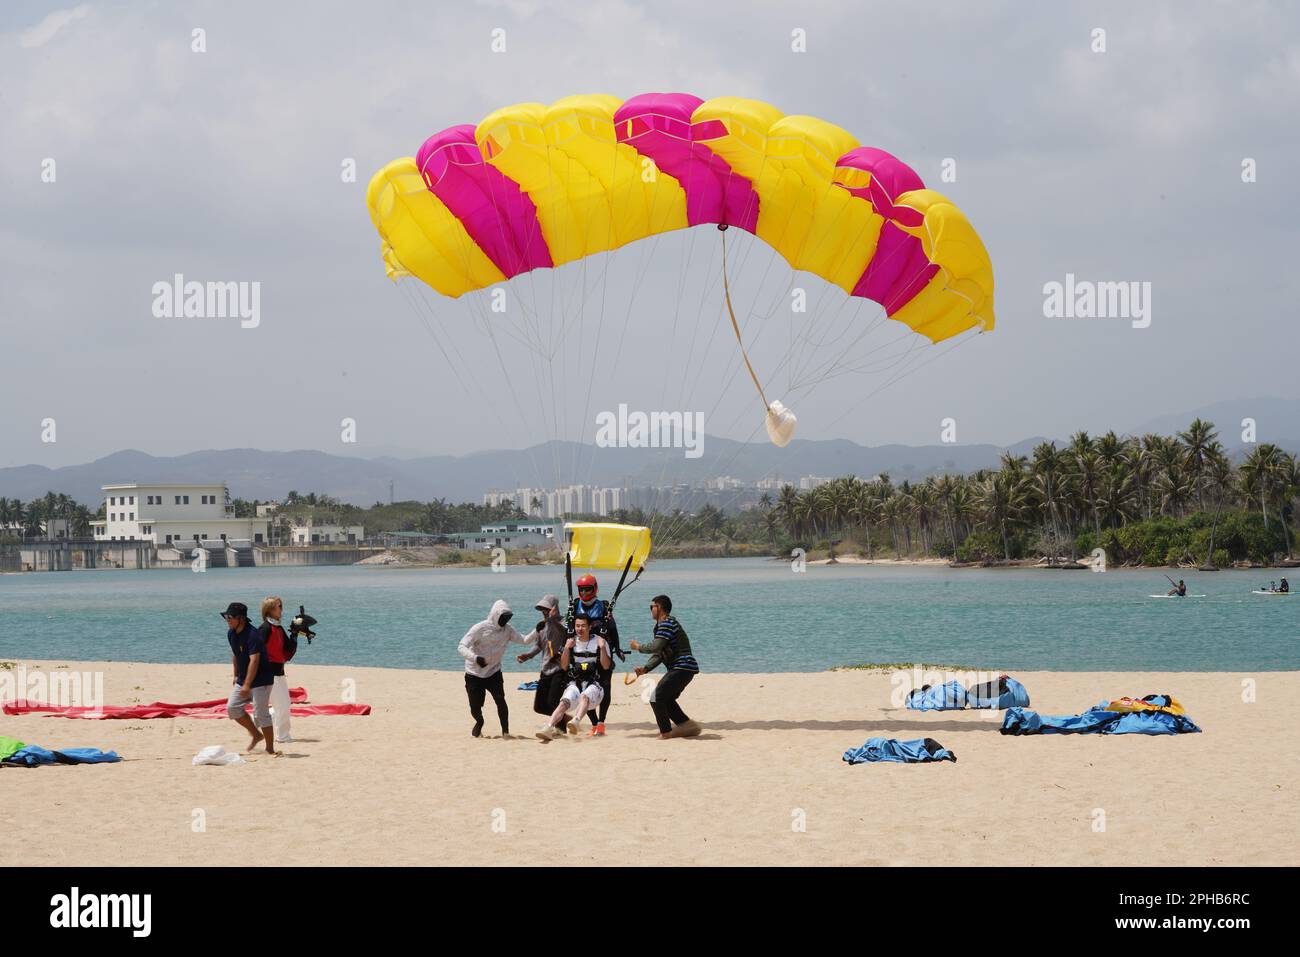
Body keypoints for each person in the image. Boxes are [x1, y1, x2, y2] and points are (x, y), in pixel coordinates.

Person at [630, 594, 701, 739]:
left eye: (652, 607)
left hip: (682, 667)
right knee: (666, 699)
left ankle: (666, 732)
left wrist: (638, 647)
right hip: (684, 669)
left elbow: (656, 646)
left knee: (656, 697)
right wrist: (645, 668)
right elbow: (660, 653)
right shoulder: (661, 626)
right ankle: (687, 725)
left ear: (660, 607)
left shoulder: (667, 623)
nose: (651, 610)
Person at [459, 599, 531, 738]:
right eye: (503, 617)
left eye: (508, 617)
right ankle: (479, 722)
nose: (506, 620)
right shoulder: (479, 628)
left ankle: (505, 732)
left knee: (500, 700)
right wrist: (476, 658)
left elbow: (525, 640)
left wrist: (538, 630)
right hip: (474, 674)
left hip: (494, 672)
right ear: (495, 615)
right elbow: (461, 646)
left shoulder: (508, 630)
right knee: (475, 707)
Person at [535, 614, 611, 741]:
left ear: (590, 627)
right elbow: (564, 666)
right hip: (575, 683)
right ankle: (549, 727)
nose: (580, 629)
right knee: (563, 702)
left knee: (584, 696)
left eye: (583, 626)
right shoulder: (571, 642)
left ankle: (576, 721)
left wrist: (602, 648)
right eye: (577, 626)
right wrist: (566, 648)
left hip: (595, 686)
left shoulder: (599, 642)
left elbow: (606, 665)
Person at [223, 601, 276, 755]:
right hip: (243, 678)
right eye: (226, 617)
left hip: (261, 680)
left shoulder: (253, 635)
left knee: (261, 714)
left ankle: (270, 749)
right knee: (232, 708)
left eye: (230, 617)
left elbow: (255, 660)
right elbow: (236, 655)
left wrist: (247, 685)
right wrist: (236, 674)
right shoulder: (231, 633)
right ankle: (256, 734)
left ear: (241, 618)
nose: (228, 620)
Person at [572, 573, 622, 735]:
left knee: (605, 686)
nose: (585, 593)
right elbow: (569, 629)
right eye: (582, 590)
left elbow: (613, 629)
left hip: (602, 649)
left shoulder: (604, 606)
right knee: (583, 687)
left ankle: (601, 723)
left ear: (595, 589)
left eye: (588, 590)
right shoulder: (574, 605)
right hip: (582, 651)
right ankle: (594, 723)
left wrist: (618, 648)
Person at [517, 594, 570, 733]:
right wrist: (528, 656)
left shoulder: (564, 622)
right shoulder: (542, 626)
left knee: (553, 702)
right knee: (539, 706)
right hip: (545, 669)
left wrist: (553, 620)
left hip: (560, 668)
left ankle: (561, 729)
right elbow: (539, 645)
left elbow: (565, 633)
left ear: (554, 608)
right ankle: (563, 717)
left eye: (546, 608)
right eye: (542, 609)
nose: (544, 612)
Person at [258, 596, 297, 744]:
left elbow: (288, 648)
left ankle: (268, 722)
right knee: (283, 705)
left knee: (283, 704)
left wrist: (295, 633)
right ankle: (283, 736)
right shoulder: (265, 629)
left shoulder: (278, 628)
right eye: (277, 607)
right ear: (269, 610)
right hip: (269, 673)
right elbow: (256, 651)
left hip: (279, 672)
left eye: (281, 606)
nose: (281, 609)